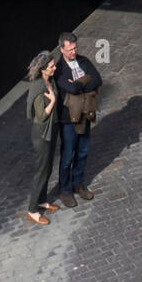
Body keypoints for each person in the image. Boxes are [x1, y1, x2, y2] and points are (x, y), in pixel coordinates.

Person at [54, 31, 102, 207]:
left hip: (85, 113)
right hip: (68, 119)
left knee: (82, 151)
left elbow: (97, 79)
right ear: (62, 49)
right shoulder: (58, 69)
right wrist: (85, 82)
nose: (73, 52)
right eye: (70, 50)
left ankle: (78, 184)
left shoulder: (83, 61)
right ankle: (65, 190)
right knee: (67, 155)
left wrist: (79, 84)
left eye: (75, 48)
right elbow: (70, 89)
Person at [25, 51, 61, 225]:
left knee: (48, 167)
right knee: (41, 170)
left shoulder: (49, 80)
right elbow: (41, 116)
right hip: (41, 133)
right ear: (43, 69)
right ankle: (32, 210)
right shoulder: (38, 87)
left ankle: (42, 200)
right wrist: (53, 101)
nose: (55, 68)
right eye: (51, 66)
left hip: (51, 130)